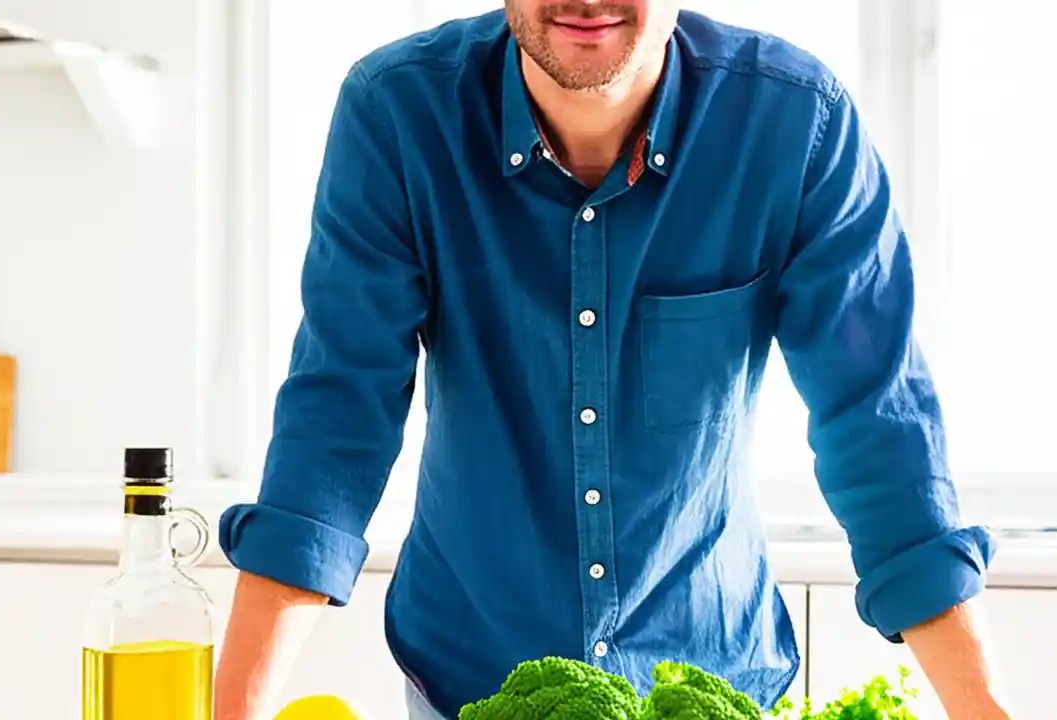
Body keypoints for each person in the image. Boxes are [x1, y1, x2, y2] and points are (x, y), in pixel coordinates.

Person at [213, 2, 1011, 719]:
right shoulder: (397, 115)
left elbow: (878, 421)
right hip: (470, 683)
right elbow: (337, 418)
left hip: (713, 683)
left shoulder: (795, 124)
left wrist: (980, 708)